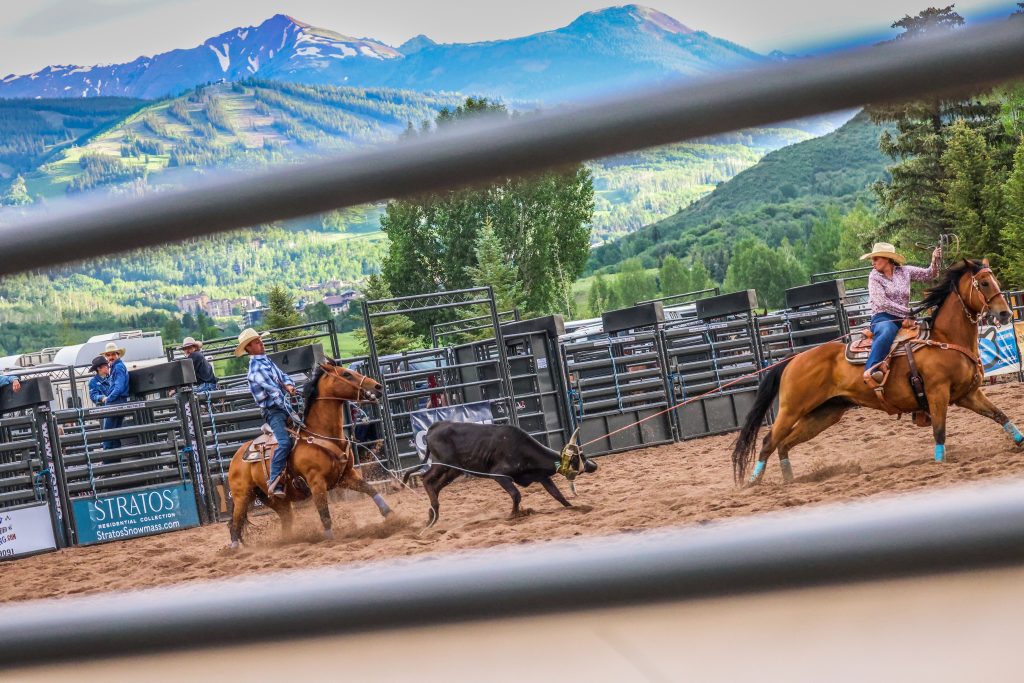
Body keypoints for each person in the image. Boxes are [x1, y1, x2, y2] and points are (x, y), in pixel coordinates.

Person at [861, 242, 941, 383]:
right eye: (872, 259)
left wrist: (935, 260)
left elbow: (930, 275)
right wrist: (909, 311)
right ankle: (872, 369)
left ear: (886, 258)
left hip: (904, 318)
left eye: (875, 258)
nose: (872, 262)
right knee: (886, 331)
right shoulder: (874, 276)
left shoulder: (905, 271)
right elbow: (882, 303)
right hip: (883, 317)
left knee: (930, 329)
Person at [235, 328, 298, 497]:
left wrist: (290, 384)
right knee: (284, 442)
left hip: (285, 406)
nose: (261, 343)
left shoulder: (266, 361)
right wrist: (291, 410)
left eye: (260, 340)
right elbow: (273, 392)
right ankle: (274, 480)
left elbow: (282, 376)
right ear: (248, 348)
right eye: (257, 342)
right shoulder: (255, 370)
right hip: (274, 411)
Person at [101, 341, 131, 450]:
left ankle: (108, 461)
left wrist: (109, 399)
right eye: (108, 355)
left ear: (117, 354)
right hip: (119, 401)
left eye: (113, 354)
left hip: (115, 402)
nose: (111, 357)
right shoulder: (117, 367)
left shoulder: (117, 367)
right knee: (115, 433)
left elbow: (118, 387)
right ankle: (115, 460)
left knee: (108, 434)